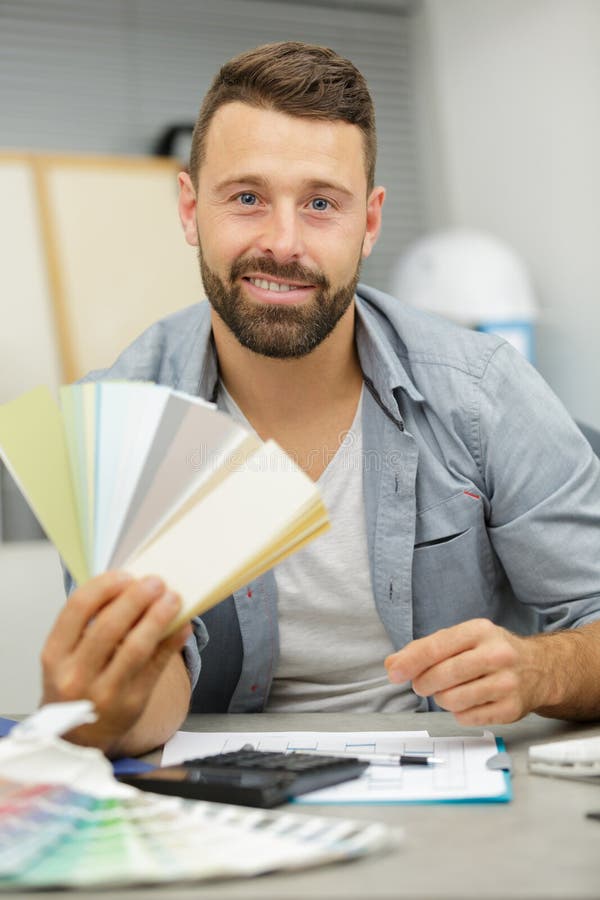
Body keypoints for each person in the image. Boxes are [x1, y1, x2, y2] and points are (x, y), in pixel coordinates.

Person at [41, 42, 600, 757]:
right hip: (236, 804)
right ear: (189, 210)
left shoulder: (482, 389)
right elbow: (145, 714)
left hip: (462, 792)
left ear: (369, 223)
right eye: (247, 198)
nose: (283, 242)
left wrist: (536, 669)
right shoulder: (121, 421)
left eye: (320, 204)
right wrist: (100, 704)